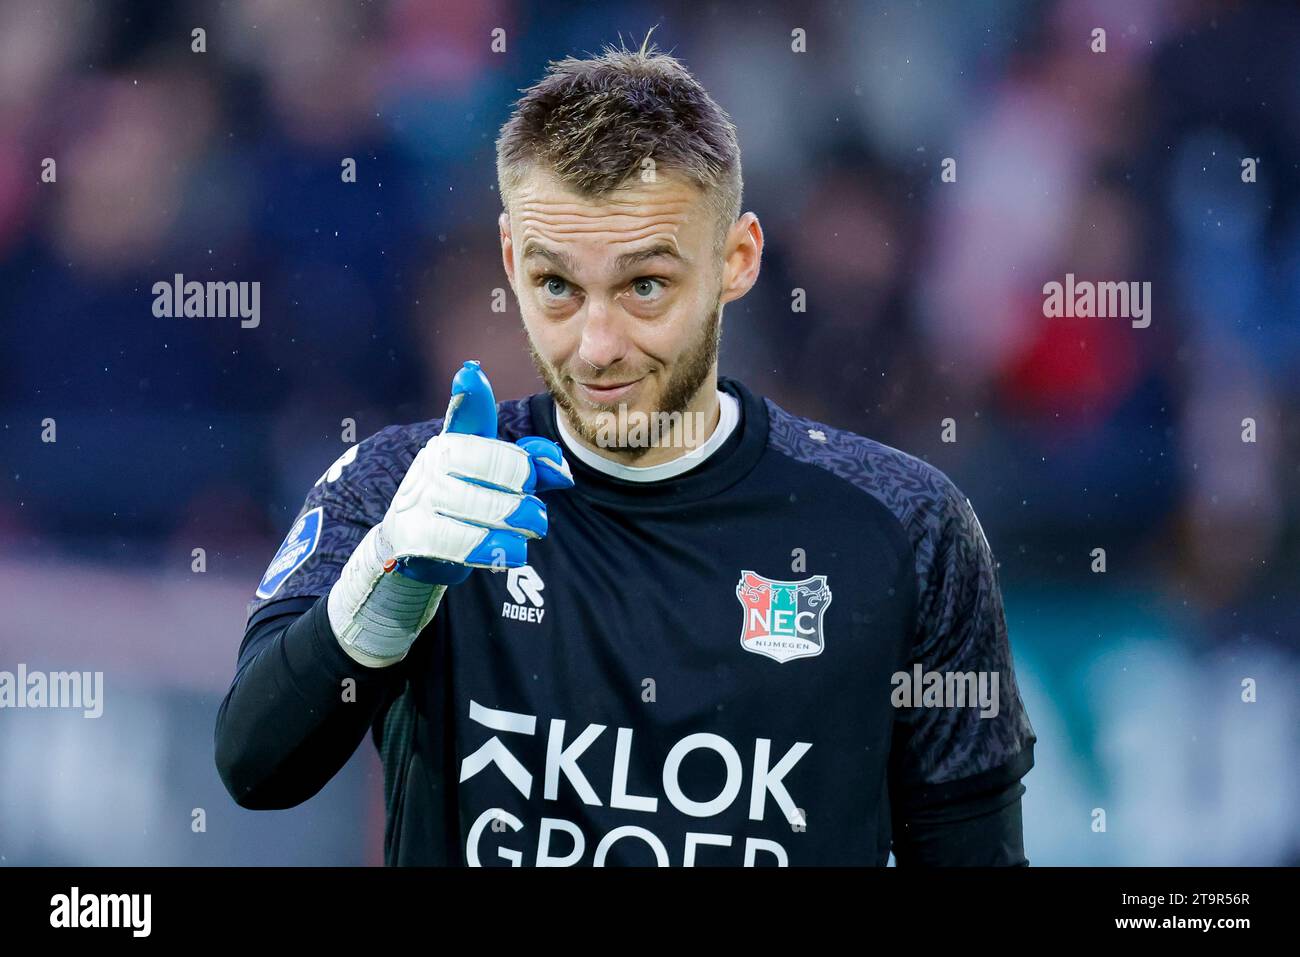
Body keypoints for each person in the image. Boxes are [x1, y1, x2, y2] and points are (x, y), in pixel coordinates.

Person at [215, 41, 1036, 866]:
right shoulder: (406, 493)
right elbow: (256, 767)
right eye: (557, 286)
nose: (597, 345)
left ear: (736, 260)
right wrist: (384, 588)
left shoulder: (907, 527)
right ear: (512, 261)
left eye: (644, 285)